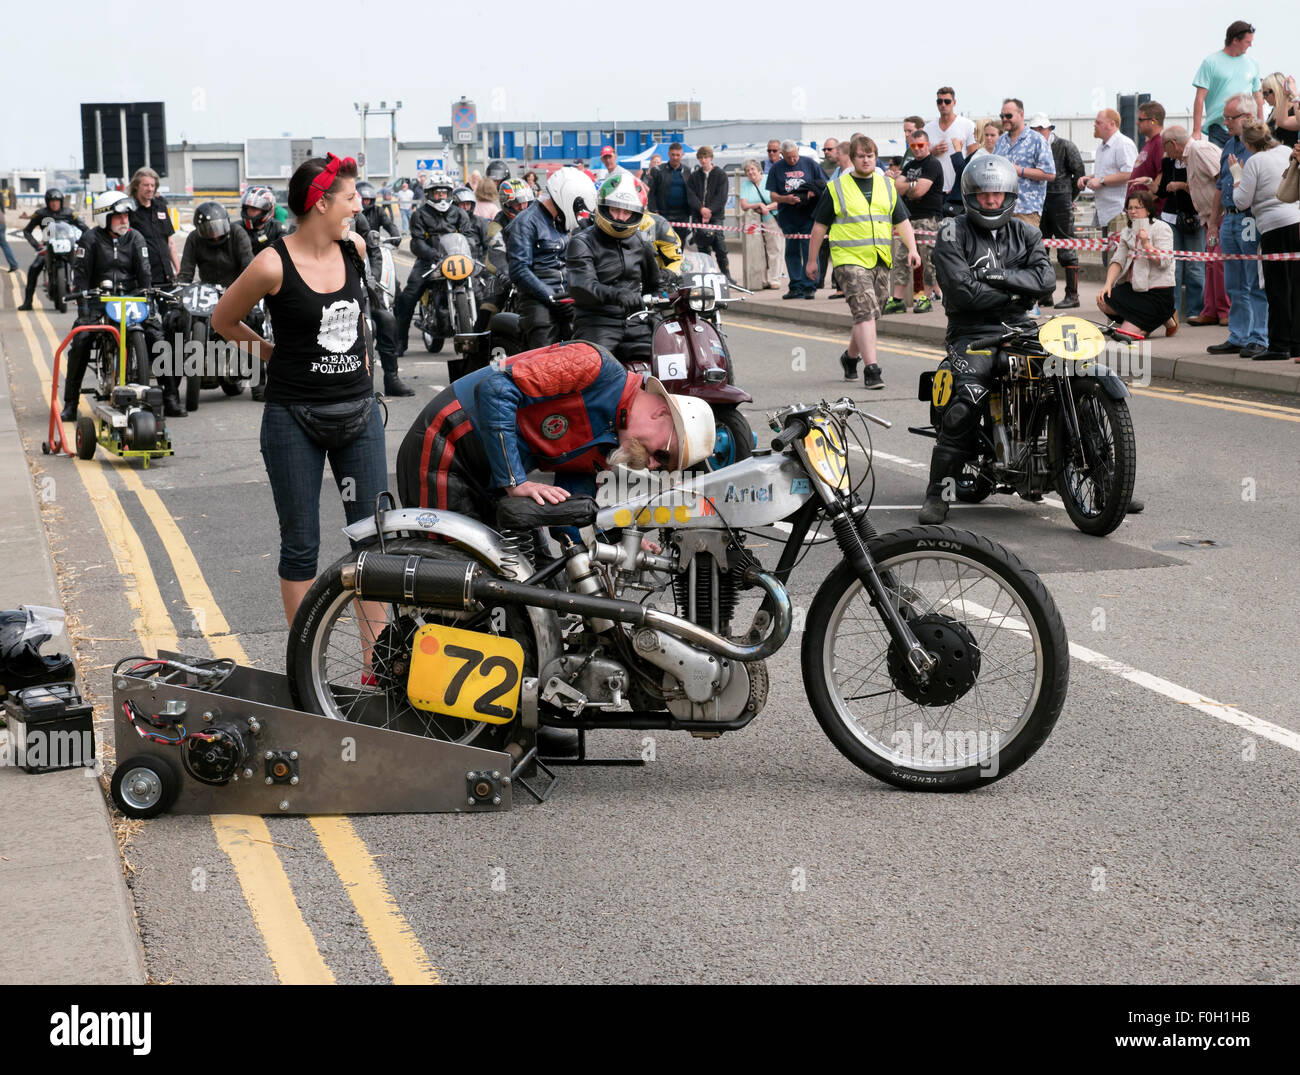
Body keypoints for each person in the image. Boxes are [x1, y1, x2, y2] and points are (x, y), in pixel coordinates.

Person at [211, 154, 387, 628]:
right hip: (294, 418)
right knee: (301, 543)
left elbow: (362, 317)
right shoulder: (271, 264)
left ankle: (378, 666)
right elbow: (223, 321)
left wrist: (367, 363)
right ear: (321, 202)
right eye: (350, 198)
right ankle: (303, 665)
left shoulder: (356, 249)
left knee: (373, 542)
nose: (357, 206)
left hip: (360, 416)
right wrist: (271, 354)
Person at [396, 342, 714, 516]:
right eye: (663, 455)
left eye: (662, 468)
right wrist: (515, 480)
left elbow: (570, 510)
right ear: (661, 414)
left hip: (487, 472)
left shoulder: (611, 444)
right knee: (447, 563)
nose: (653, 465)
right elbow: (495, 388)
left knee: (514, 572)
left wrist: (615, 543)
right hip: (448, 440)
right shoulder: (596, 365)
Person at [920, 155, 1053, 525]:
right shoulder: (952, 231)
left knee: (1068, 375)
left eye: (998, 194)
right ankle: (938, 492)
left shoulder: (1026, 232)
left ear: (1009, 194)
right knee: (967, 400)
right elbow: (962, 295)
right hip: (971, 333)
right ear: (970, 197)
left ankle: (1102, 477)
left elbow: (1045, 283)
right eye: (983, 195)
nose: (991, 201)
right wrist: (1017, 289)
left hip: (1022, 328)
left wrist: (996, 280)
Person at [806, 134, 918, 389]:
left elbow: (902, 221)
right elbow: (819, 227)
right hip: (848, 260)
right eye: (861, 156)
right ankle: (872, 369)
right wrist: (812, 261)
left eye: (870, 156)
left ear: (876, 158)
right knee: (865, 312)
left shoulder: (887, 186)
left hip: (879, 258)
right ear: (852, 158)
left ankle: (850, 358)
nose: (866, 160)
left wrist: (912, 248)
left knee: (868, 314)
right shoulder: (837, 188)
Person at [62, 191, 171, 420]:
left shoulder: (136, 238)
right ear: (104, 217)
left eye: (127, 216)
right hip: (98, 300)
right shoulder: (89, 239)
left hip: (130, 298)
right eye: (119, 216)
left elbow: (145, 272)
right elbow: (81, 275)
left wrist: (147, 297)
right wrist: (83, 302)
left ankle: (170, 397)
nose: (125, 220)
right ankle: (70, 403)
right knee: (80, 341)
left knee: (158, 337)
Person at [566, 172, 661, 358]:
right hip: (598, 322)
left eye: (627, 212)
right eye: (615, 210)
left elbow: (655, 284)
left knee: (670, 357)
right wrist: (618, 295)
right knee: (594, 372)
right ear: (602, 207)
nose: (620, 217)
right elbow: (582, 287)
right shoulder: (582, 242)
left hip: (636, 321)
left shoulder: (642, 242)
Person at [1230, 121, 1300, 358]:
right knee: (1296, 286)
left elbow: (1241, 201)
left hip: (1274, 227)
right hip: (1296, 221)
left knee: (1277, 288)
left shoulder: (1254, 162)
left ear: (1248, 144)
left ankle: (1279, 346)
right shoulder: (1285, 150)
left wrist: (1237, 176)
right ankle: (1295, 343)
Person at [506, 167, 597, 348]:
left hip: (567, 298)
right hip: (537, 301)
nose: (578, 211)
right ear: (566, 196)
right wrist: (551, 297)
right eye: (576, 204)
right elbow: (519, 270)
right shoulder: (525, 222)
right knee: (543, 358)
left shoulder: (558, 222)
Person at [1208, 95, 1270, 358]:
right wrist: (1213, 222)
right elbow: (1221, 185)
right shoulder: (1228, 144)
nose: (1225, 123)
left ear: (1246, 118)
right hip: (1230, 217)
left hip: (1249, 216)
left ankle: (1259, 336)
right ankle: (1239, 334)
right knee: (1233, 281)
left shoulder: (1258, 148)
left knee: (1254, 280)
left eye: (1230, 118)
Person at [393, 172, 480, 355]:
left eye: (444, 193)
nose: (441, 197)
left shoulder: (459, 213)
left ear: (450, 194)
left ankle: (484, 339)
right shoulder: (420, 215)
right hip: (429, 261)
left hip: (457, 259)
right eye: (437, 193)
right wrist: (432, 254)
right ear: (429, 194)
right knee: (408, 297)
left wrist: (468, 249)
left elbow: (469, 235)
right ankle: (400, 342)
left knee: (482, 293)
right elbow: (416, 242)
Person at [1097, 191, 1176, 337]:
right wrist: (1108, 284)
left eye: (1137, 208)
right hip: (1133, 289)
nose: (1133, 212)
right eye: (1130, 208)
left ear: (1148, 209)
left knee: (1126, 336)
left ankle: (1158, 317)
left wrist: (1146, 244)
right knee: (1103, 300)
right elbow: (1117, 260)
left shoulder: (1162, 228)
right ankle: (1157, 319)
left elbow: (1164, 262)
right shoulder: (1127, 231)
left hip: (1156, 292)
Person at [1155, 126, 1213, 323]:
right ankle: (1173, 312)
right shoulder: (1170, 161)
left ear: (1173, 144)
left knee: (1195, 267)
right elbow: (1162, 190)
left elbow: (1210, 183)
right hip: (1172, 217)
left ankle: (1195, 310)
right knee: (1174, 267)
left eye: (1165, 146)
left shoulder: (1197, 154)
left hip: (1195, 217)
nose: (1164, 151)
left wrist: (1182, 187)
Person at [884, 130, 943, 314]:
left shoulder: (933, 164)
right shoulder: (909, 164)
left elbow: (919, 192)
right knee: (901, 257)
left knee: (928, 260)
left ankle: (926, 298)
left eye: (921, 145)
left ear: (927, 144)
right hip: (908, 218)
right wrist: (912, 185)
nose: (917, 149)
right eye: (913, 146)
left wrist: (907, 186)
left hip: (928, 218)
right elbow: (897, 188)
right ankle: (898, 300)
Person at [1029, 114, 1084, 308]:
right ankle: (1045, 293)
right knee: (1039, 249)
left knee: (1066, 248)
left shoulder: (1065, 146)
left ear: (1049, 128)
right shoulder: (1033, 147)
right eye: (1034, 130)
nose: (1037, 133)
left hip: (1059, 200)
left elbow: (1079, 175)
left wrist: (1068, 197)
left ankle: (1073, 294)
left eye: (1040, 129)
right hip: (1040, 202)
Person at [765, 140, 826, 299]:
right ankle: (796, 285)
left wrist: (811, 193)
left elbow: (823, 184)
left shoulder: (810, 164)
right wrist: (786, 199)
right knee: (791, 251)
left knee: (809, 250)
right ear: (782, 155)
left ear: (798, 151)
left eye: (794, 156)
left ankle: (810, 285)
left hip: (808, 215)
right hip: (788, 215)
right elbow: (772, 195)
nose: (792, 160)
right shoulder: (776, 168)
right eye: (788, 157)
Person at [1192, 20, 1264, 147]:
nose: (1250, 45)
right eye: (1247, 42)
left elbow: (1257, 96)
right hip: (1219, 127)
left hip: (1245, 128)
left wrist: (1261, 123)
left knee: (1244, 165)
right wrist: (1196, 131)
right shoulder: (1211, 62)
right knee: (1220, 165)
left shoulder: (1253, 64)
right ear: (1235, 40)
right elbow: (1199, 98)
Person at [1080, 109, 1138, 259]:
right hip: (1107, 213)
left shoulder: (1123, 144)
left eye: (1098, 122)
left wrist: (1100, 180)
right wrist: (1090, 177)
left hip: (1119, 213)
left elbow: (1130, 173)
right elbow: (1107, 172)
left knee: (1119, 262)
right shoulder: (1102, 147)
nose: (1094, 124)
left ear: (1111, 124)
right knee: (1111, 261)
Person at [992, 99, 1055, 230]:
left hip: (1027, 211)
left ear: (1021, 115)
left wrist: (1020, 170)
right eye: (1002, 116)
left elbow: (1050, 174)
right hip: (1001, 211)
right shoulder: (1000, 141)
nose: (1004, 119)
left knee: (1025, 250)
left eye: (1009, 116)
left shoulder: (1037, 140)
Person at [17, 189, 85, 310]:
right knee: (33, 268)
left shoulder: (69, 213)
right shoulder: (40, 214)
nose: (54, 204)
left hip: (67, 246)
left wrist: (80, 243)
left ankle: (83, 301)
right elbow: (27, 231)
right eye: (52, 201)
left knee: (82, 268)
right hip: (48, 248)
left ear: (61, 201)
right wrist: (37, 246)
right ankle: (28, 302)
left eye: (57, 201)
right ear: (47, 202)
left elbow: (85, 228)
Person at [685, 145, 732, 282]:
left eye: (706, 157)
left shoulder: (720, 174)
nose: (703, 160)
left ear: (711, 158)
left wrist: (709, 210)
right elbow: (691, 195)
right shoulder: (694, 176)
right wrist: (701, 209)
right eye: (701, 158)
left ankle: (726, 275)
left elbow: (721, 196)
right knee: (703, 248)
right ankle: (707, 276)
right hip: (698, 216)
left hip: (715, 216)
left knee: (720, 247)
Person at [178, 202, 253, 287]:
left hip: (235, 288)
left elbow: (248, 265)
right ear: (199, 229)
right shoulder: (194, 238)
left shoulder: (237, 233)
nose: (215, 235)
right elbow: (186, 272)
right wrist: (181, 287)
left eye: (218, 228)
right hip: (207, 291)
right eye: (208, 230)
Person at [126, 167, 179, 287]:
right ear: (136, 186)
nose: (150, 189)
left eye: (152, 185)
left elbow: (170, 242)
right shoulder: (129, 211)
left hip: (166, 275)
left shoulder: (161, 207)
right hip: (142, 278)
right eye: (145, 185)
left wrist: (178, 268)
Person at [739, 158, 784, 289]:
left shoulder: (769, 180)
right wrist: (759, 205)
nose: (750, 172)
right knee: (758, 250)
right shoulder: (746, 185)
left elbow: (780, 201)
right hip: (754, 220)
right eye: (747, 170)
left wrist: (767, 208)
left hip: (771, 218)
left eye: (752, 169)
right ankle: (762, 279)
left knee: (775, 248)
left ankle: (774, 278)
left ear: (759, 170)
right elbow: (744, 204)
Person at [924, 87, 977, 196]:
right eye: (940, 101)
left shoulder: (968, 125)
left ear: (954, 103)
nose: (943, 105)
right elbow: (921, 157)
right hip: (934, 188)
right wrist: (932, 152)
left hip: (958, 188)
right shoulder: (928, 128)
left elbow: (973, 159)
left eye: (947, 101)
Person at [1126, 101, 1169, 214]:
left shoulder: (1159, 143)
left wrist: (1144, 206)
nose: (1137, 122)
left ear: (1153, 121)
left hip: (1150, 213)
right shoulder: (1150, 143)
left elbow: (1163, 175)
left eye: (1141, 119)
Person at [646, 142, 691, 223]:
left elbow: (692, 192)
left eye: (678, 155)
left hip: (683, 216)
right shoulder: (658, 171)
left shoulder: (687, 171)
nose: (675, 157)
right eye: (673, 154)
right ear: (668, 154)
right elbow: (651, 193)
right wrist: (654, 211)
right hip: (663, 215)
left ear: (682, 155)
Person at [239, 186, 286, 257]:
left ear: (266, 211)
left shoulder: (277, 228)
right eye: (247, 208)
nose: (249, 212)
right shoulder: (236, 229)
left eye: (254, 209)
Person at [1262, 73, 1299, 147]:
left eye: (1265, 93)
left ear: (1276, 90)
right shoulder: (1274, 112)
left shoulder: (1294, 109)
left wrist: (1293, 94)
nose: (1264, 97)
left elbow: (1282, 122)